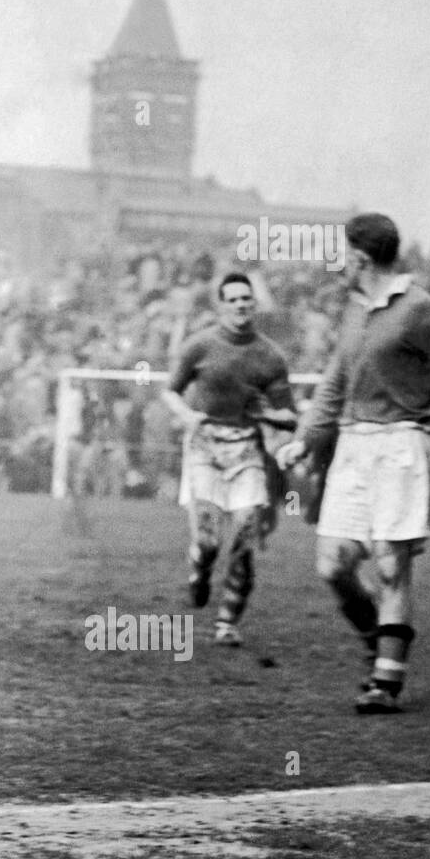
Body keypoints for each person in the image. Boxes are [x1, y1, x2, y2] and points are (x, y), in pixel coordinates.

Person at [277, 214, 430, 714]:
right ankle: (379, 637)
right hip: (352, 446)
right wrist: (306, 438)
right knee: (333, 564)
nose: (338, 264)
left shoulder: (419, 310)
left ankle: (386, 682)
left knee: (392, 567)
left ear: (361, 258)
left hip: (403, 446)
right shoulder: (353, 309)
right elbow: (334, 381)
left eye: (342, 254)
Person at [161, 272, 296, 646]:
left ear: (254, 305)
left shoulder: (270, 356)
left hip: (246, 449)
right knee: (208, 541)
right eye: (233, 299)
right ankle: (200, 571)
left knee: (247, 531)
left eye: (246, 299)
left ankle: (227, 623)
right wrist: (187, 415)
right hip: (205, 445)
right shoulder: (199, 345)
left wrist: (266, 415)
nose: (240, 305)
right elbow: (170, 391)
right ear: (221, 306)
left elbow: (290, 416)